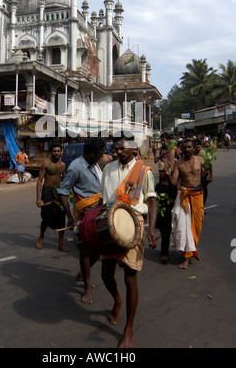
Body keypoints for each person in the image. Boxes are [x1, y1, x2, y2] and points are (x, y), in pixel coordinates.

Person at [99, 135, 158, 348]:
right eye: (115, 149)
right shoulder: (107, 169)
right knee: (106, 274)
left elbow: (151, 201)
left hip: (134, 226)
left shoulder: (143, 171)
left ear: (133, 150)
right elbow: (103, 199)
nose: (117, 152)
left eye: (121, 149)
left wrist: (151, 229)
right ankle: (117, 299)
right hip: (110, 226)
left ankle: (129, 329)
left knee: (130, 278)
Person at [57, 137, 105, 304]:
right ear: (92, 154)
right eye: (100, 153)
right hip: (84, 214)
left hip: (98, 212)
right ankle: (86, 285)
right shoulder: (76, 167)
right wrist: (69, 218)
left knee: (98, 250)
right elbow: (63, 192)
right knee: (85, 251)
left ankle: (82, 274)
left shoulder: (94, 165)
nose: (102, 156)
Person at [165, 138, 206, 269]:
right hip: (183, 196)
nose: (187, 149)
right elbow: (173, 183)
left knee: (196, 226)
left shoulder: (200, 160)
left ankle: (190, 250)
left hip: (197, 195)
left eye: (189, 147)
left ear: (193, 148)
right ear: (181, 149)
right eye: (184, 147)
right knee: (183, 226)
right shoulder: (178, 164)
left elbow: (207, 178)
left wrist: (210, 173)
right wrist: (168, 175)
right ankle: (186, 257)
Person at [36, 142, 69, 252]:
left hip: (58, 193)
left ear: (61, 152)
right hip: (47, 192)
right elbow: (40, 180)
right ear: (51, 152)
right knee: (46, 217)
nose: (56, 153)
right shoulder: (46, 164)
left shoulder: (63, 165)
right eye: (54, 151)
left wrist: (67, 193)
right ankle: (41, 236)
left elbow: (65, 180)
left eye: (58, 151)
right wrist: (38, 198)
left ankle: (60, 243)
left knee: (61, 218)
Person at [155, 166, 177, 263]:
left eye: (163, 171)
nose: (161, 173)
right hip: (158, 213)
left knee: (166, 235)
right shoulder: (158, 186)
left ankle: (164, 253)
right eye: (160, 171)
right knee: (160, 232)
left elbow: (174, 196)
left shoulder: (171, 186)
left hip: (167, 213)